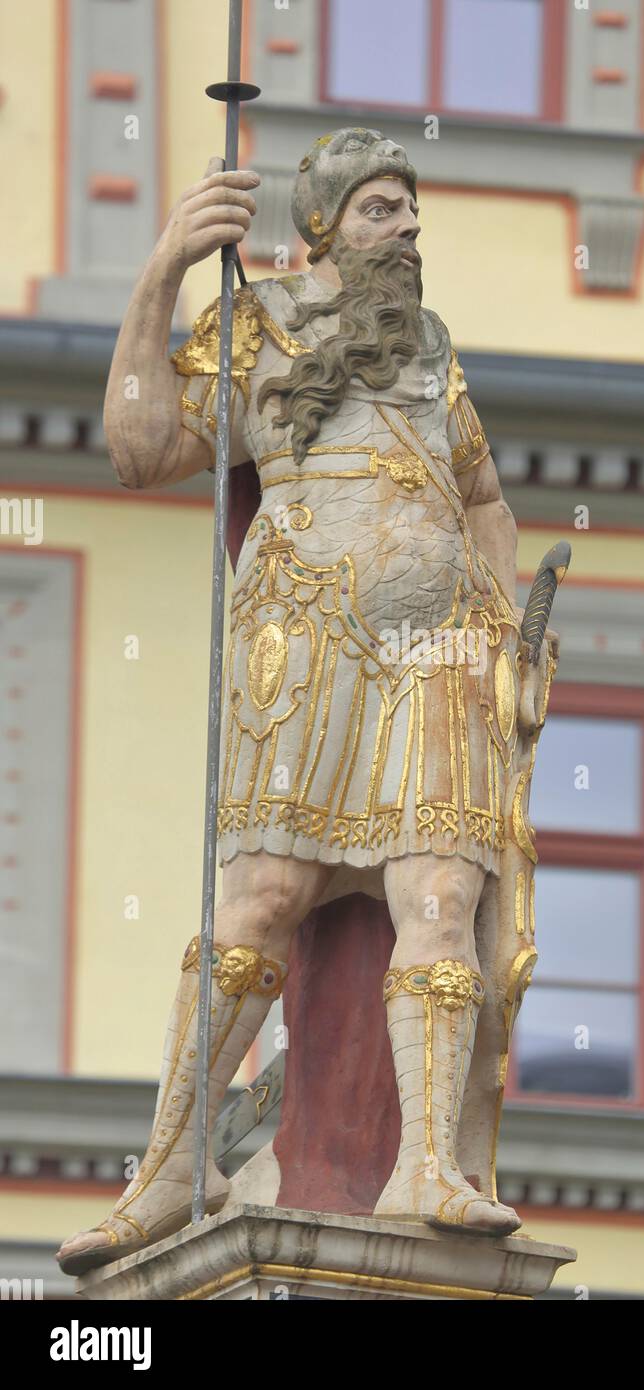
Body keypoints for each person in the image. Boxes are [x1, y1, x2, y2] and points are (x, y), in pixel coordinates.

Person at [57, 128, 552, 1276]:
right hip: (309, 638)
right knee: (263, 896)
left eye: (412, 210)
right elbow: (139, 447)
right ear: (321, 225)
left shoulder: (431, 348)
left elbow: (481, 495)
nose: (409, 229)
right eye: (383, 208)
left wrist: (499, 628)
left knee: (437, 896)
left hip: (435, 660)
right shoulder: (257, 323)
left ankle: (426, 1164)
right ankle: (170, 1167)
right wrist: (165, 269)